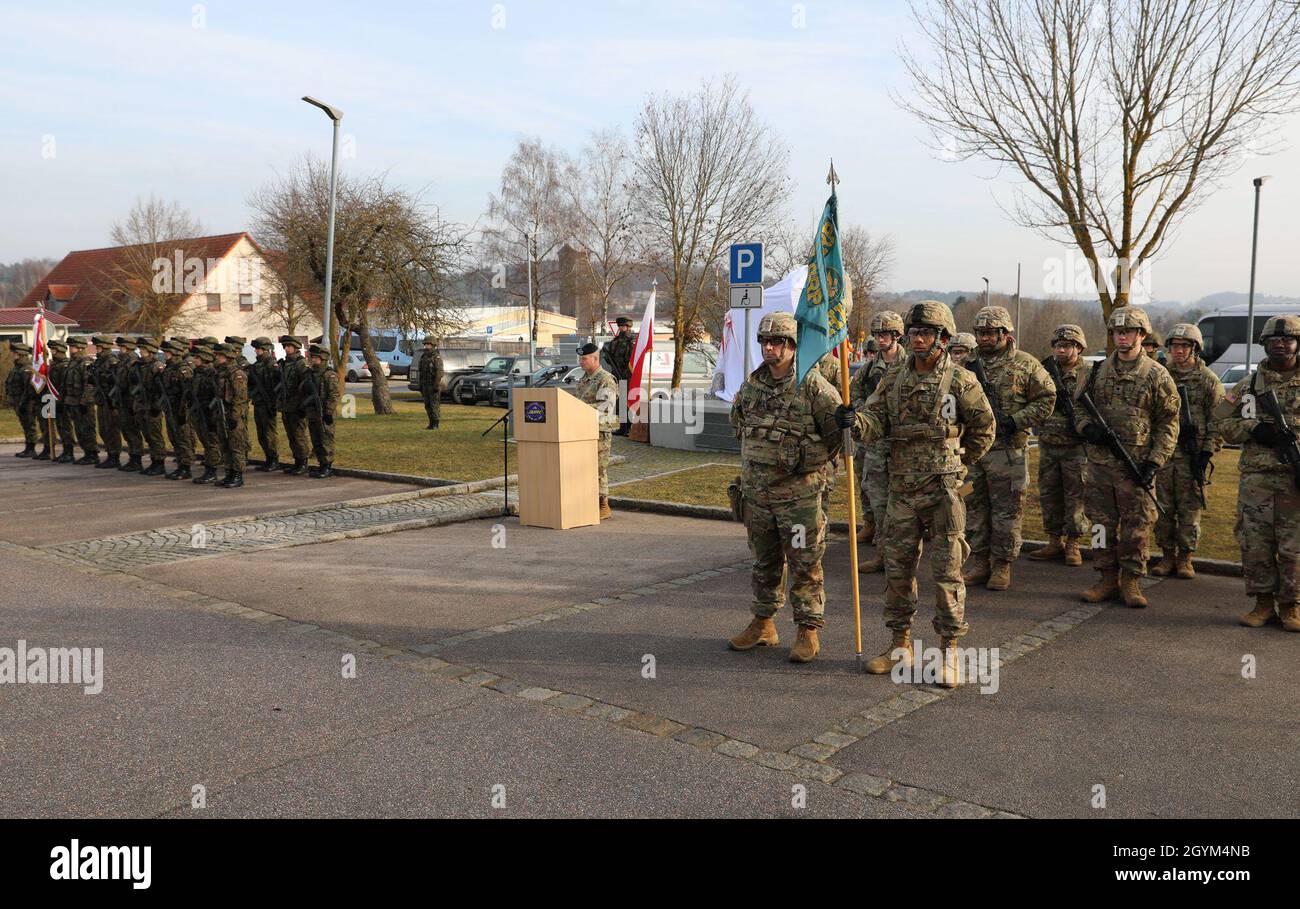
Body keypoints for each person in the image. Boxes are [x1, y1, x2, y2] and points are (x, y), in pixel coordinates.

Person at [852, 301, 995, 687]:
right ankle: (900, 645)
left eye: (927, 333)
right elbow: (874, 419)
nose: (918, 339)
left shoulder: (960, 380)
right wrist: (853, 421)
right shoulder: (894, 376)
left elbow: (985, 426)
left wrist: (961, 463)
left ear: (943, 339)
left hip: (943, 492)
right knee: (897, 571)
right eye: (914, 332)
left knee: (948, 573)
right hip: (901, 490)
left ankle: (947, 651)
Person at [727, 311, 861, 664]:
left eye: (777, 342)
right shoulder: (752, 386)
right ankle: (764, 623)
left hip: (799, 498)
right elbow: (739, 425)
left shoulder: (813, 386)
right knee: (764, 561)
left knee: (805, 563)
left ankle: (807, 630)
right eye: (764, 342)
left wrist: (806, 457)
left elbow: (840, 437)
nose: (769, 348)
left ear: (792, 345)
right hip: (758, 495)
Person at [1074, 307, 1180, 608]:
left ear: (1141, 335)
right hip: (1099, 467)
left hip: (1135, 467)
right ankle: (1105, 576)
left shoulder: (1157, 375)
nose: (1122, 336)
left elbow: (1169, 423)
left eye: (1129, 331)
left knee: (1137, 527)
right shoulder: (1096, 371)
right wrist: (1088, 428)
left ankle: (1131, 580)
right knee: (1098, 526)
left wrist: (1154, 462)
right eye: (1117, 332)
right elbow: (1079, 408)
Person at [1214, 314, 1300, 632]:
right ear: (1263, 344)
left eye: (1287, 339)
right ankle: (1262, 603)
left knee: (1294, 548)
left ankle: (1291, 606)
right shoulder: (1249, 386)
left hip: (1295, 481)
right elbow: (1221, 421)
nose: (1280, 344)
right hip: (1257, 482)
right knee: (1255, 544)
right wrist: (1253, 428)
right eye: (1273, 340)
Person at [962, 305, 1056, 591]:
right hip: (974, 452)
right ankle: (979, 561)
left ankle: (1002, 564)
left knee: (1007, 512)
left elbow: (1047, 399)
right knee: (974, 508)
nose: (984, 338)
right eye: (980, 333)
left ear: (1005, 333)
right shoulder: (967, 365)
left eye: (990, 333)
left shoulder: (1026, 364)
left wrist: (1015, 421)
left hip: (1008, 452)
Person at [1151, 323, 1223, 579]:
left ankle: (1185, 557)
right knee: (1162, 508)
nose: (1179, 351)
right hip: (1164, 453)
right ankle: (1167, 555)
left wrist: (1206, 453)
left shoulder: (1207, 380)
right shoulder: (1160, 374)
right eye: (1175, 346)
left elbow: (1218, 421)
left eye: (1184, 346)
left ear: (1195, 348)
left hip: (1192, 456)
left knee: (1190, 509)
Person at [848, 310, 905, 567]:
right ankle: (883, 553)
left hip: (904, 445)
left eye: (886, 335)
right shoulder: (870, 368)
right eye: (878, 335)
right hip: (876, 443)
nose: (881, 340)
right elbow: (854, 393)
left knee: (905, 506)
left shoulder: (911, 364)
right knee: (878, 499)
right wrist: (867, 412)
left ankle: (903, 557)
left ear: (897, 336)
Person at [1029, 325, 1090, 567]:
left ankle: (1073, 543)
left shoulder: (1088, 373)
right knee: (1049, 493)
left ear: (1079, 348)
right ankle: (1054, 541)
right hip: (1048, 444)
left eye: (1067, 346)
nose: (1062, 350)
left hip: (1076, 446)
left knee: (1076, 495)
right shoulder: (1045, 372)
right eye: (1058, 346)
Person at [574, 342, 621, 519]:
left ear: (595, 358)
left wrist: (578, 409)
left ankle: (603, 505)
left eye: (584, 359)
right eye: (580, 359)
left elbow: (605, 406)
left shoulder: (606, 379)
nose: (581, 362)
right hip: (581, 431)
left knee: (598, 469)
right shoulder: (583, 380)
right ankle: (586, 501)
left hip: (599, 431)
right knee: (583, 468)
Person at [212, 342, 249, 487]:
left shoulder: (237, 374)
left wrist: (234, 416)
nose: (218, 358)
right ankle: (229, 473)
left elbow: (240, 398)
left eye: (220, 355)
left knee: (236, 445)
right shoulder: (221, 372)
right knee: (224, 444)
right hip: (222, 413)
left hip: (233, 415)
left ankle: (238, 475)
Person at [303, 343, 339, 479]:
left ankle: (327, 466)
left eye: (316, 358)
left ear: (323, 359)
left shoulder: (329, 375)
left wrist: (329, 412)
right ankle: (321, 464)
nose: (313, 360)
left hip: (324, 413)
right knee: (316, 440)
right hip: (312, 412)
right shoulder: (310, 374)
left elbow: (334, 395)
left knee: (325, 440)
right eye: (312, 358)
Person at [161, 339, 195, 480]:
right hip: (170, 408)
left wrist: (184, 412)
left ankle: (186, 468)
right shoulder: (169, 369)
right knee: (174, 437)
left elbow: (187, 394)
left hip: (181, 410)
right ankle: (180, 465)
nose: (165, 355)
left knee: (183, 438)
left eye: (167, 352)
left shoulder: (183, 369)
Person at [134, 337, 168, 476]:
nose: (141, 351)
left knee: (155, 436)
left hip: (153, 406)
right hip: (143, 406)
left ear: (151, 351)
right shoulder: (140, 366)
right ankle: (154, 462)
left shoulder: (156, 366)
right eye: (141, 349)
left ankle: (159, 463)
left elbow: (162, 389)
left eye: (144, 349)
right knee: (148, 435)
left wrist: (157, 406)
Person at [277, 335, 311, 475]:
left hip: (297, 406)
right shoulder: (285, 363)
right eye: (284, 346)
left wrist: (303, 406)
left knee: (299, 435)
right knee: (291, 435)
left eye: (288, 346)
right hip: (287, 405)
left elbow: (306, 386)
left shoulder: (300, 363)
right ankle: (297, 461)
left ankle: (303, 462)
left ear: (295, 347)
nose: (286, 348)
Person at [63, 337, 100, 465]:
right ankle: (86, 452)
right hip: (73, 401)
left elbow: (89, 385)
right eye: (70, 346)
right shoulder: (73, 363)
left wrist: (85, 402)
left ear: (80, 347)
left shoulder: (85, 362)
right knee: (79, 429)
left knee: (87, 428)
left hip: (83, 402)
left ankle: (92, 454)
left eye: (72, 346)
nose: (70, 349)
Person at [190, 346, 222, 485]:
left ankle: (211, 471)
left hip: (208, 412)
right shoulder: (197, 374)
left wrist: (212, 414)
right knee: (205, 441)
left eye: (197, 357)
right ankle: (209, 469)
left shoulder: (212, 374)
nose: (194, 360)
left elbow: (217, 396)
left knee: (211, 443)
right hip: (198, 411)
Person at [89, 334, 122, 469]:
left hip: (110, 400)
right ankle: (110, 454)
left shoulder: (111, 361)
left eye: (98, 347)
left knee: (112, 429)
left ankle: (114, 456)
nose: (96, 349)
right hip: (101, 399)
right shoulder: (99, 361)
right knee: (103, 429)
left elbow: (115, 382)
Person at [249, 338, 281, 471]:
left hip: (268, 402)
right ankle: (268, 458)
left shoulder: (270, 364)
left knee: (269, 432)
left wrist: (273, 400)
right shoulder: (257, 364)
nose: (256, 351)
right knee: (261, 433)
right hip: (258, 402)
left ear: (264, 349)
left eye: (258, 349)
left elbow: (278, 384)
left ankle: (274, 459)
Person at [114, 336, 144, 473]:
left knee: (132, 431)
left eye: (122, 347)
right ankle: (132, 457)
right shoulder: (123, 362)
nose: (120, 349)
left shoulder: (132, 362)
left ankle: (137, 459)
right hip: (122, 401)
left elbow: (135, 385)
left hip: (130, 401)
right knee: (126, 430)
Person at [601, 316, 635, 436]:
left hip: (627, 375)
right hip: (617, 374)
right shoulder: (614, 341)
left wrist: (625, 374)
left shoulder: (632, 341)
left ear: (628, 327)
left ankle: (629, 427)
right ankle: (622, 426)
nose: (621, 328)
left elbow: (633, 360)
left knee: (628, 402)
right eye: (620, 326)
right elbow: (608, 355)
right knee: (620, 401)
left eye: (623, 326)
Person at [6, 342, 39, 458]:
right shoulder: (17, 368)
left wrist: (23, 403)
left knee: (30, 425)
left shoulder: (26, 369)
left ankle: (31, 448)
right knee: (25, 425)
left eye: (14, 353)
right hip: (19, 402)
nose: (12, 354)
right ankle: (28, 447)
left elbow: (28, 389)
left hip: (26, 403)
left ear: (20, 354)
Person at [46, 339, 77, 462]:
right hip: (53, 399)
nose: (51, 351)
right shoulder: (54, 364)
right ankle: (61, 450)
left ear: (59, 350)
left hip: (62, 400)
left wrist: (62, 400)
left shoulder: (64, 365)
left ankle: (69, 451)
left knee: (66, 426)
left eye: (53, 349)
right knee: (59, 425)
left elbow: (64, 385)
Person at [418, 337, 444, 429]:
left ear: (433, 345)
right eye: (425, 344)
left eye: (428, 344)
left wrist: (436, 385)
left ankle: (435, 424)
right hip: (425, 384)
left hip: (433, 384)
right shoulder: (424, 356)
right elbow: (421, 371)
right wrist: (420, 384)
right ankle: (431, 423)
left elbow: (439, 372)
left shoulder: (436, 357)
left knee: (434, 405)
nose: (426, 346)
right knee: (427, 405)